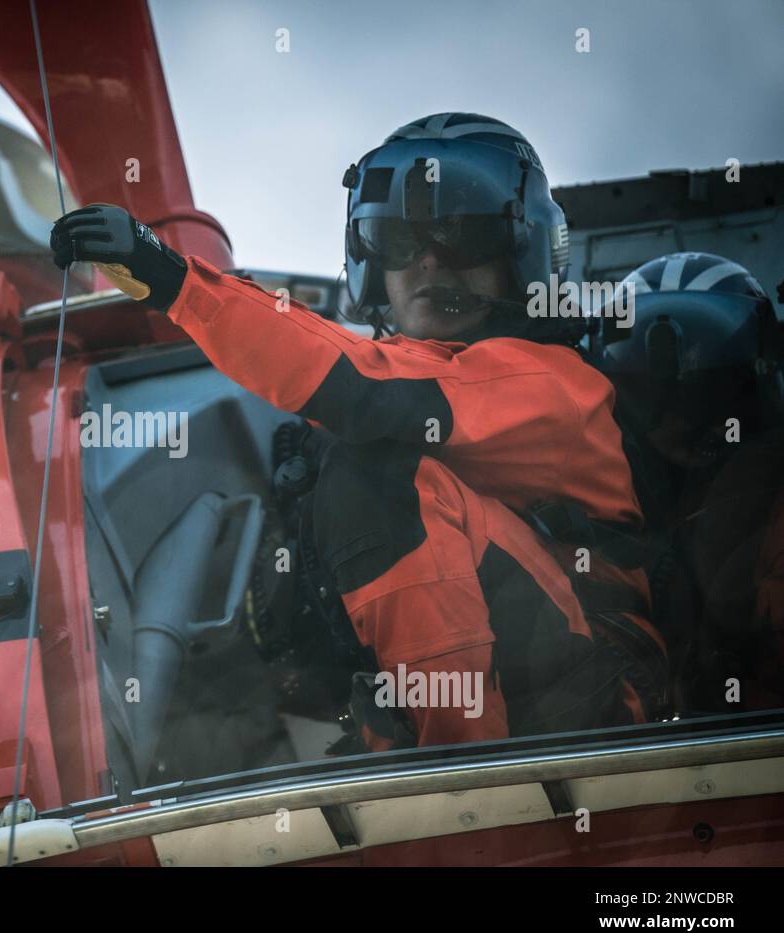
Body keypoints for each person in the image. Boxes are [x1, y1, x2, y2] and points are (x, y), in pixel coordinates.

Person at [51, 113, 667, 750]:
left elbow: (369, 386)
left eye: (464, 234)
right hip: (434, 735)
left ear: (525, 253)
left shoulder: (556, 386)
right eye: (398, 240)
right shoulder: (371, 408)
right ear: (372, 264)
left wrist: (174, 281)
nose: (429, 262)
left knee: (377, 476)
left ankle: (467, 783)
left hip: (597, 719)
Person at [599, 251, 784, 712]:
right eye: (652, 396)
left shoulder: (769, 506)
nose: (681, 418)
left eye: (712, 390)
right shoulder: (602, 514)